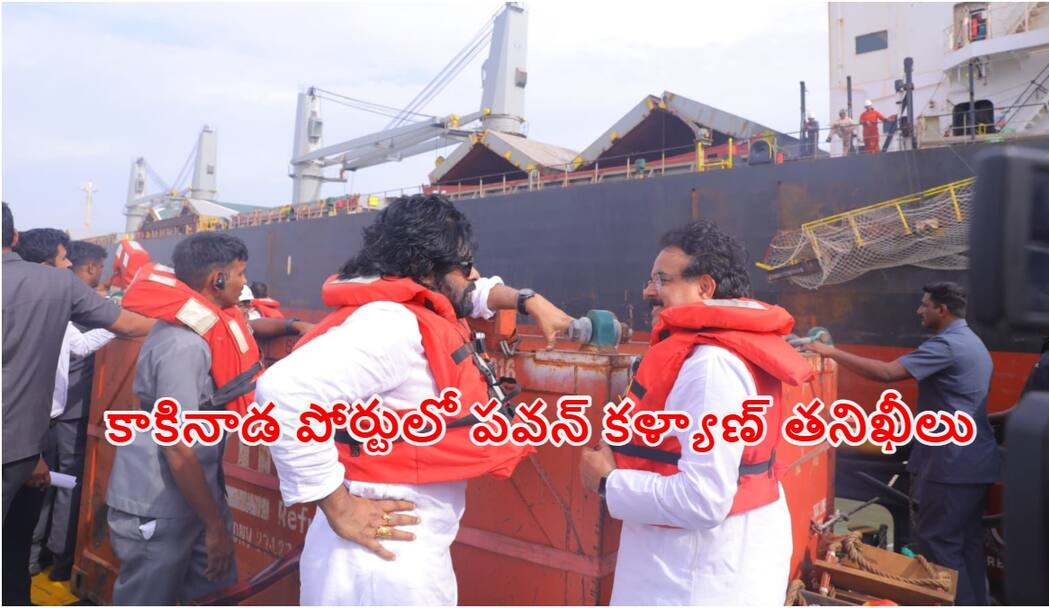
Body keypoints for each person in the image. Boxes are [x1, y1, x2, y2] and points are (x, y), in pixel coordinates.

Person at [257, 193, 574, 605]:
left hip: (395, 541)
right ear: (427, 270)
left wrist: (527, 300)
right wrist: (339, 507)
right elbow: (283, 392)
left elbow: (471, 293)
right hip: (383, 555)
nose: (474, 275)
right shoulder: (393, 326)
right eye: (464, 266)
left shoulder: (415, 300)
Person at [578, 220, 814, 605]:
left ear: (704, 287)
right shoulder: (730, 351)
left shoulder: (710, 366)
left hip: (695, 578)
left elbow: (703, 498)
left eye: (661, 280)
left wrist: (608, 482)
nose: (648, 291)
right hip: (717, 564)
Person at [805, 282, 1001, 605]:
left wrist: (830, 352)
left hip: (948, 468)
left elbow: (886, 373)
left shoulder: (947, 345)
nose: (919, 310)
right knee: (968, 549)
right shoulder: (974, 343)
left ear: (943, 310)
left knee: (940, 553)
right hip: (975, 465)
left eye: (925, 305)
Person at [2, 203, 152, 605]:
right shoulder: (56, 285)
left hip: (24, 447)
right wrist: (197, 319)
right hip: (21, 447)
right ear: (14, 237)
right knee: (14, 550)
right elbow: (129, 324)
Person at [104, 232, 264, 605]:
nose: (243, 284)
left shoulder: (193, 332)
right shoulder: (184, 345)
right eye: (240, 275)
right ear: (217, 280)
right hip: (159, 508)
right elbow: (176, 445)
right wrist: (214, 526)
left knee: (216, 594)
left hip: (194, 498)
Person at [30, 241, 116, 580]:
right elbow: (79, 347)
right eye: (62, 260)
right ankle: (57, 559)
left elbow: (76, 347)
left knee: (45, 483)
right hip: (61, 417)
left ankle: (37, 557)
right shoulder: (69, 305)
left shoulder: (54, 306)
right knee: (61, 484)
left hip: (46, 415)